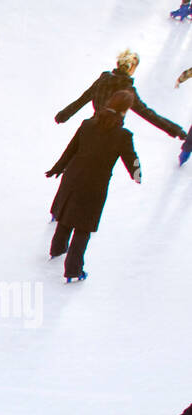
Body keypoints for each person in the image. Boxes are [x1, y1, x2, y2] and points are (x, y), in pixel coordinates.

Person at [45, 91, 141, 283]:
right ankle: (73, 270)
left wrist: (57, 168)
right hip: (95, 184)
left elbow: (70, 150)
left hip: (73, 177)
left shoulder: (87, 124)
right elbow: (132, 158)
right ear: (125, 110)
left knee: (66, 216)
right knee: (83, 226)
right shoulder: (123, 135)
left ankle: (57, 249)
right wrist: (137, 175)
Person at [55, 50, 185, 142]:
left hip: (91, 126)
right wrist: (175, 130)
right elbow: (147, 113)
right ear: (132, 69)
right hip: (110, 134)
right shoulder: (126, 90)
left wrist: (64, 114)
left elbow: (82, 100)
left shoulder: (102, 81)